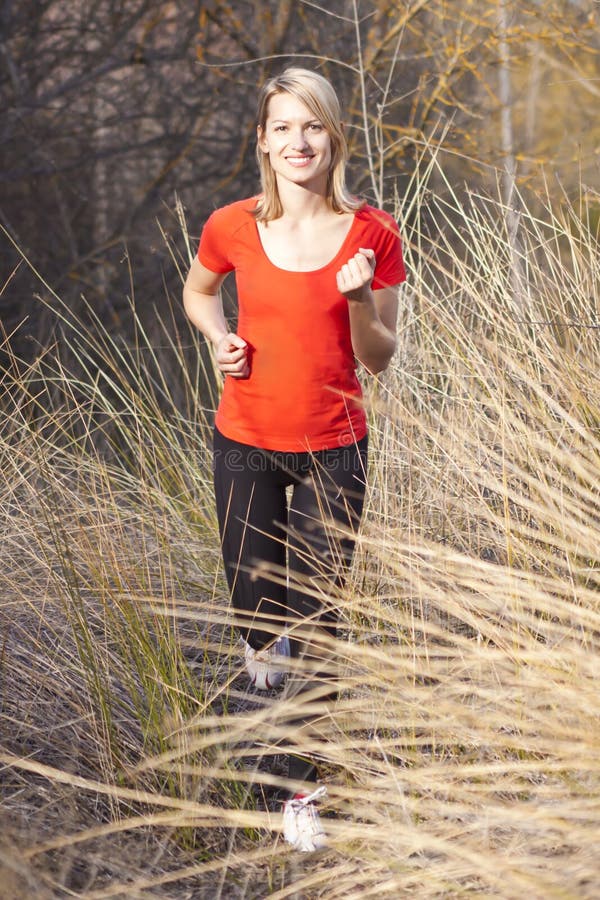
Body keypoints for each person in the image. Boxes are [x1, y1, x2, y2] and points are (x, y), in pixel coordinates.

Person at [183, 67, 406, 852]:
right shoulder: (231, 224)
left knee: (315, 618)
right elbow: (200, 290)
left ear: (332, 138)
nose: (298, 142)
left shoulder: (372, 232)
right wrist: (219, 339)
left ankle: (296, 788)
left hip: (333, 451)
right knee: (256, 620)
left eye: (312, 126)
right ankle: (274, 734)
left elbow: (379, 357)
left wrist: (354, 298)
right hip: (244, 445)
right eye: (284, 127)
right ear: (263, 141)